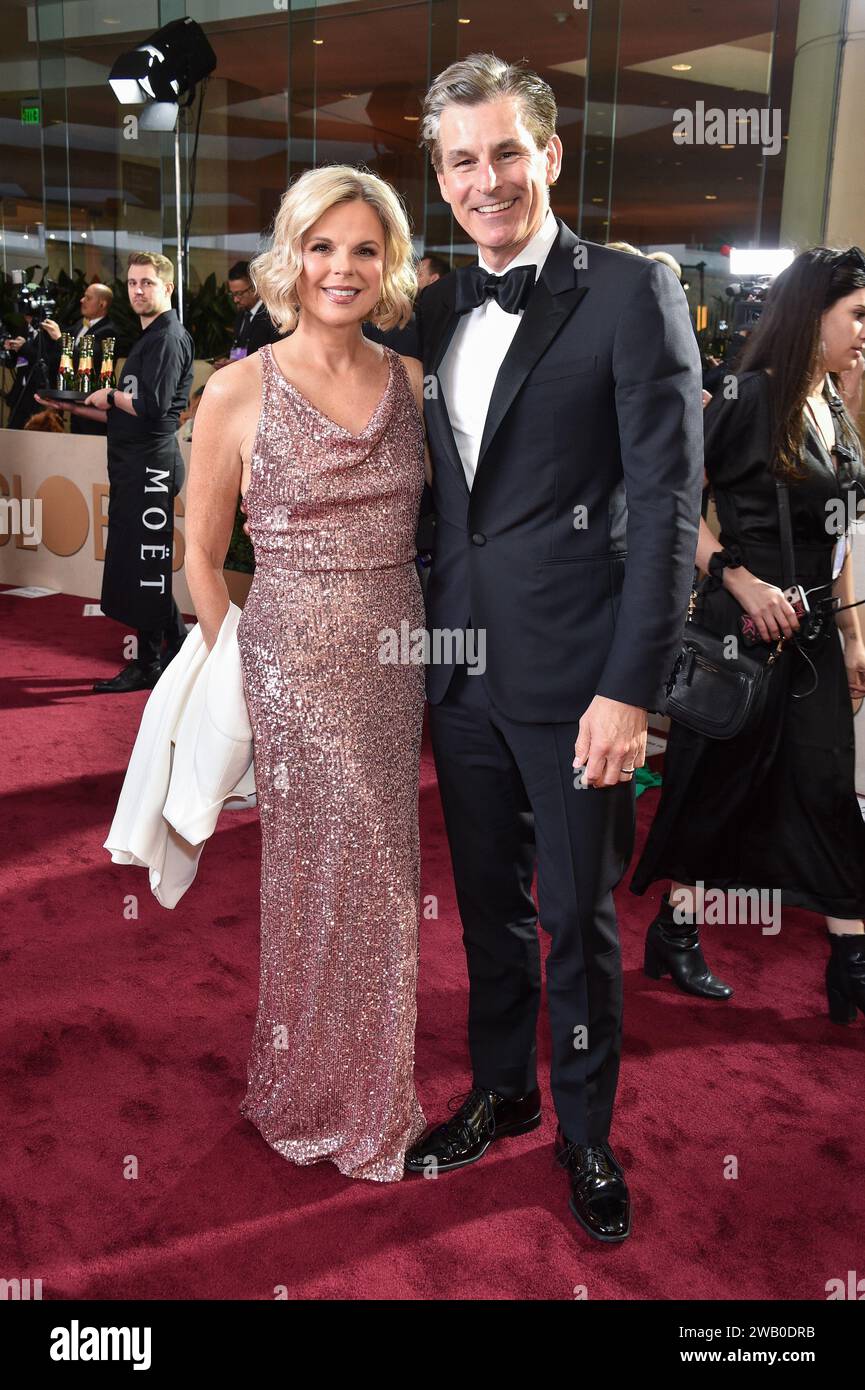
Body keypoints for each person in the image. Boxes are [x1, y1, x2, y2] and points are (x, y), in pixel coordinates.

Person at [401, 53, 704, 1243]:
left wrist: (629, 688)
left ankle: (585, 1128)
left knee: (575, 913)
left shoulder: (631, 291)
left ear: (552, 155)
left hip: (583, 681)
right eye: (463, 160)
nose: (488, 180)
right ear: (439, 175)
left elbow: (669, 507)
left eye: (507, 153)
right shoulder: (434, 307)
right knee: (487, 903)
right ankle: (502, 1087)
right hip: (461, 665)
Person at [184, 166, 431, 1182]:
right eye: (322, 246)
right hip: (286, 653)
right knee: (318, 876)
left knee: (385, 869)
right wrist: (232, 667)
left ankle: (374, 1094)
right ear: (291, 256)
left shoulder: (415, 382)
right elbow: (199, 554)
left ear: (391, 263)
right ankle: (311, 1090)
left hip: (393, 651)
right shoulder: (237, 387)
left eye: (364, 248)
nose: (342, 267)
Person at [630, 247, 865, 1022]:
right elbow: (667, 501)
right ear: (812, 316)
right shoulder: (749, 395)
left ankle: (849, 957)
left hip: (813, 634)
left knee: (824, 789)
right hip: (743, 629)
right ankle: (676, 930)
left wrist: (854, 633)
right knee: (718, 788)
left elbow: (835, 538)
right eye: (857, 316)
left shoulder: (828, 403)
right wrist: (737, 577)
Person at [37, 252, 194, 692]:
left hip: (153, 469)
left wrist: (107, 395)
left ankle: (148, 664)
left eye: (147, 283)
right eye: (132, 283)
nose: (138, 290)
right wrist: (68, 404)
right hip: (137, 467)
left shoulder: (167, 337)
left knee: (145, 566)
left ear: (168, 288)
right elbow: (128, 413)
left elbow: (152, 407)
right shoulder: (150, 337)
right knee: (138, 563)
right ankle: (176, 649)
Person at [42, 282, 119, 437]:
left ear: (102, 304)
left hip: (95, 405)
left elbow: (88, 362)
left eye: (88, 298)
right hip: (74, 400)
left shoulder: (109, 331)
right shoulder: (79, 325)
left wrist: (59, 338)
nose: (82, 300)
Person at [212, 260, 282, 368]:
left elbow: (276, 358)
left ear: (254, 288)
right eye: (232, 294)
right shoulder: (241, 316)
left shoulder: (272, 317)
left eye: (239, 294)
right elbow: (241, 350)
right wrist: (231, 361)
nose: (235, 300)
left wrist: (241, 363)